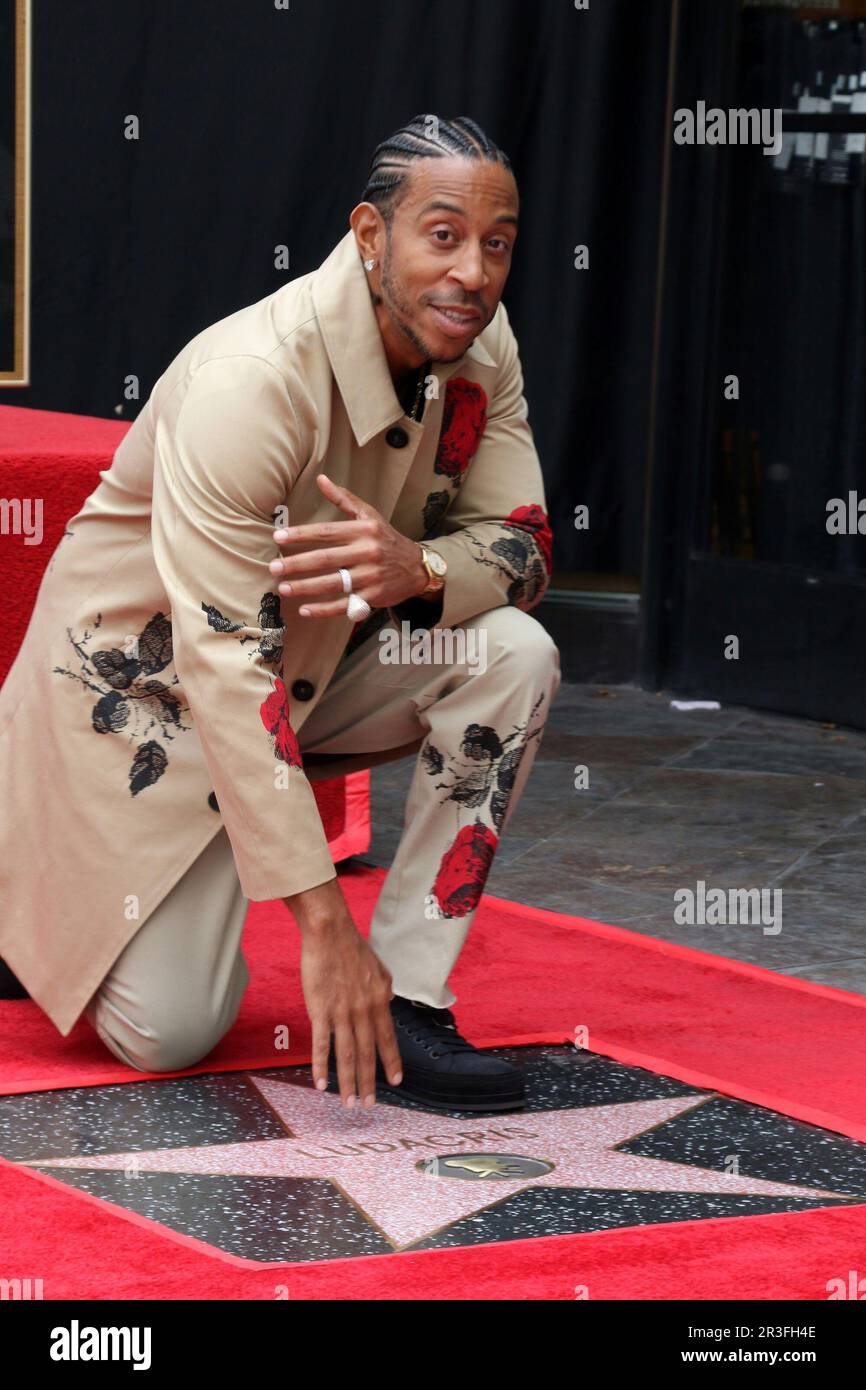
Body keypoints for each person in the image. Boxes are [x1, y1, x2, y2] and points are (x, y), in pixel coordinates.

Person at [0, 113, 561, 1114]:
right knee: (168, 1031)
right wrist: (323, 931)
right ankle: (25, 896)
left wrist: (419, 564)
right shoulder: (247, 385)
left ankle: (408, 1004)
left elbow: (523, 551)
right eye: (441, 234)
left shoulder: (485, 345)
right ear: (367, 234)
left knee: (511, 653)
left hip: (312, 675)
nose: (472, 272)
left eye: (496, 244)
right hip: (148, 705)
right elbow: (219, 669)